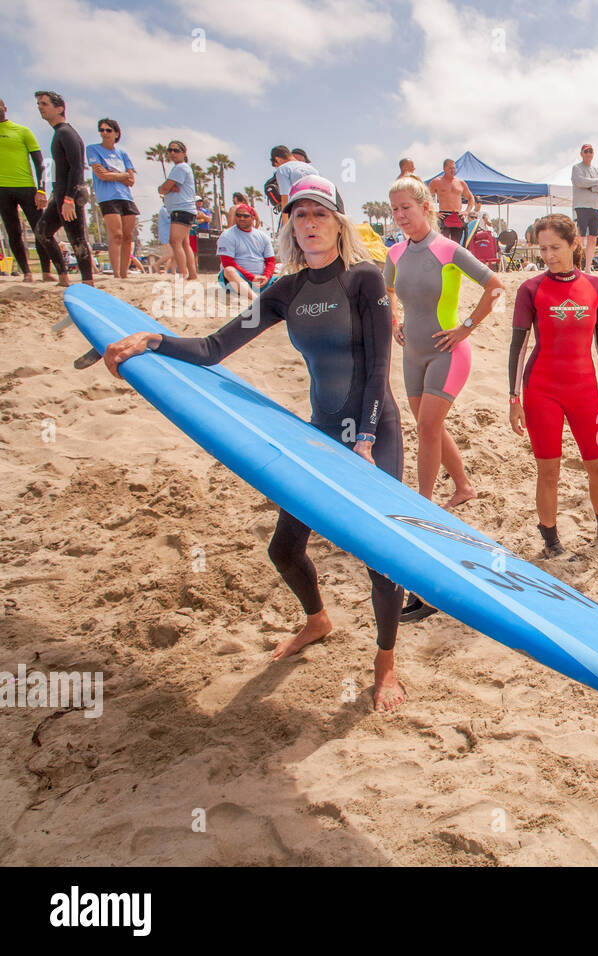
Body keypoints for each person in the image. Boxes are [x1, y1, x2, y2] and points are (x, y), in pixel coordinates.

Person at [102, 175, 410, 712]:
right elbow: (214, 347)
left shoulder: (364, 278)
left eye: (319, 214)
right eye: (299, 216)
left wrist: (362, 438)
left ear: (338, 222)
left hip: (372, 434)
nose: (309, 224)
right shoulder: (284, 292)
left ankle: (385, 662)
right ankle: (318, 620)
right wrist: (153, 340)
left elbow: (381, 365)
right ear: (289, 225)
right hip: (319, 435)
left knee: (379, 560)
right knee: (284, 549)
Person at [508, 213, 598, 559]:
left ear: (574, 245)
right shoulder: (530, 289)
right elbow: (519, 347)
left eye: (555, 247)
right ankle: (551, 543)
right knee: (549, 470)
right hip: (542, 389)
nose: (547, 255)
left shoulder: (596, 286)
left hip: (584, 389)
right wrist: (514, 398)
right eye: (542, 248)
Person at [386, 177, 501, 506]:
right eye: (395, 209)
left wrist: (466, 326)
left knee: (427, 426)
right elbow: (388, 291)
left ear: (426, 207)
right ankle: (463, 487)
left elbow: (494, 287)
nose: (400, 215)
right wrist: (395, 323)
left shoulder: (448, 249)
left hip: (448, 353)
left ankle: (423, 504)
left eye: (406, 207)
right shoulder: (394, 254)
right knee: (429, 427)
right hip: (412, 354)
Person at [32, 91, 92, 287]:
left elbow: (76, 167)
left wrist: (69, 198)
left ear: (59, 108)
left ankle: (88, 282)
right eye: (39, 104)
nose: (40, 107)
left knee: (77, 239)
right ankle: (64, 277)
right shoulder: (59, 133)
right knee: (42, 232)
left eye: (44, 104)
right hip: (61, 194)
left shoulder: (66, 132)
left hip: (69, 195)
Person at [0, 96, 54, 281]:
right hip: (2, 191)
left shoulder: (22, 131)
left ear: (4, 107)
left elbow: (40, 163)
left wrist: (41, 189)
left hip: (26, 188)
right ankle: (27, 273)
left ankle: (46, 272)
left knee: (41, 229)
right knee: (13, 232)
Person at [85, 118, 138, 279]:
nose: (104, 133)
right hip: (107, 196)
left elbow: (131, 180)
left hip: (126, 197)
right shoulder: (93, 149)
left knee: (128, 236)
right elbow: (101, 175)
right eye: (101, 130)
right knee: (116, 235)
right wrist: (121, 175)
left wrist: (112, 173)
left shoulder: (122, 154)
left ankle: (124, 273)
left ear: (116, 133)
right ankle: (116, 274)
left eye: (108, 130)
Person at [157, 140, 198, 281]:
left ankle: (183, 274)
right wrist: (167, 188)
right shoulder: (182, 168)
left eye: (176, 150)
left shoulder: (180, 167)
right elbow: (167, 187)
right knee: (184, 243)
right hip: (184, 209)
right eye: (170, 150)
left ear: (183, 153)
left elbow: (163, 188)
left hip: (182, 209)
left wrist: (165, 188)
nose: (172, 153)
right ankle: (191, 274)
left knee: (175, 242)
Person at [215, 204, 275, 293]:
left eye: (245, 216)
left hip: (260, 279)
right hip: (237, 279)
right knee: (229, 270)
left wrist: (266, 277)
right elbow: (227, 262)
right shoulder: (227, 235)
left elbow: (270, 261)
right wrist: (252, 277)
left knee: (284, 279)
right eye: (238, 215)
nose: (241, 218)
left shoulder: (263, 236)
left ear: (253, 218)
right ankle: (254, 300)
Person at [570, 143, 598, 271]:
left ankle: (588, 267)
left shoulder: (597, 169)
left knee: (593, 238)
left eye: (591, 151)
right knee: (580, 237)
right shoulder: (576, 168)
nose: (589, 153)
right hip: (581, 206)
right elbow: (579, 181)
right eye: (586, 151)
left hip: (595, 207)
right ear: (581, 153)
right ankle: (577, 266)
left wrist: (588, 185)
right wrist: (595, 182)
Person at [430, 158, 478, 244]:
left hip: (457, 215)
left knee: (456, 244)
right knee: (443, 243)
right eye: (450, 168)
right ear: (444, 168)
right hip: (443, 215)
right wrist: (433, 212)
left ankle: (454, 258)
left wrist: (466, 212)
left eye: (454, 168)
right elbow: (424, 198)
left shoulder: (460, 182)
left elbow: (471, 198)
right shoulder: (436, 182)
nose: (452, 170)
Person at [268, 145, 317, 212]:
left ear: (277, 159)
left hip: (299, 211)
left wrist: (286, 222)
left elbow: (285, 199)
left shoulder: (283, 169)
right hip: (317, 209)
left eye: (277, 165)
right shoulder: (312, 169)